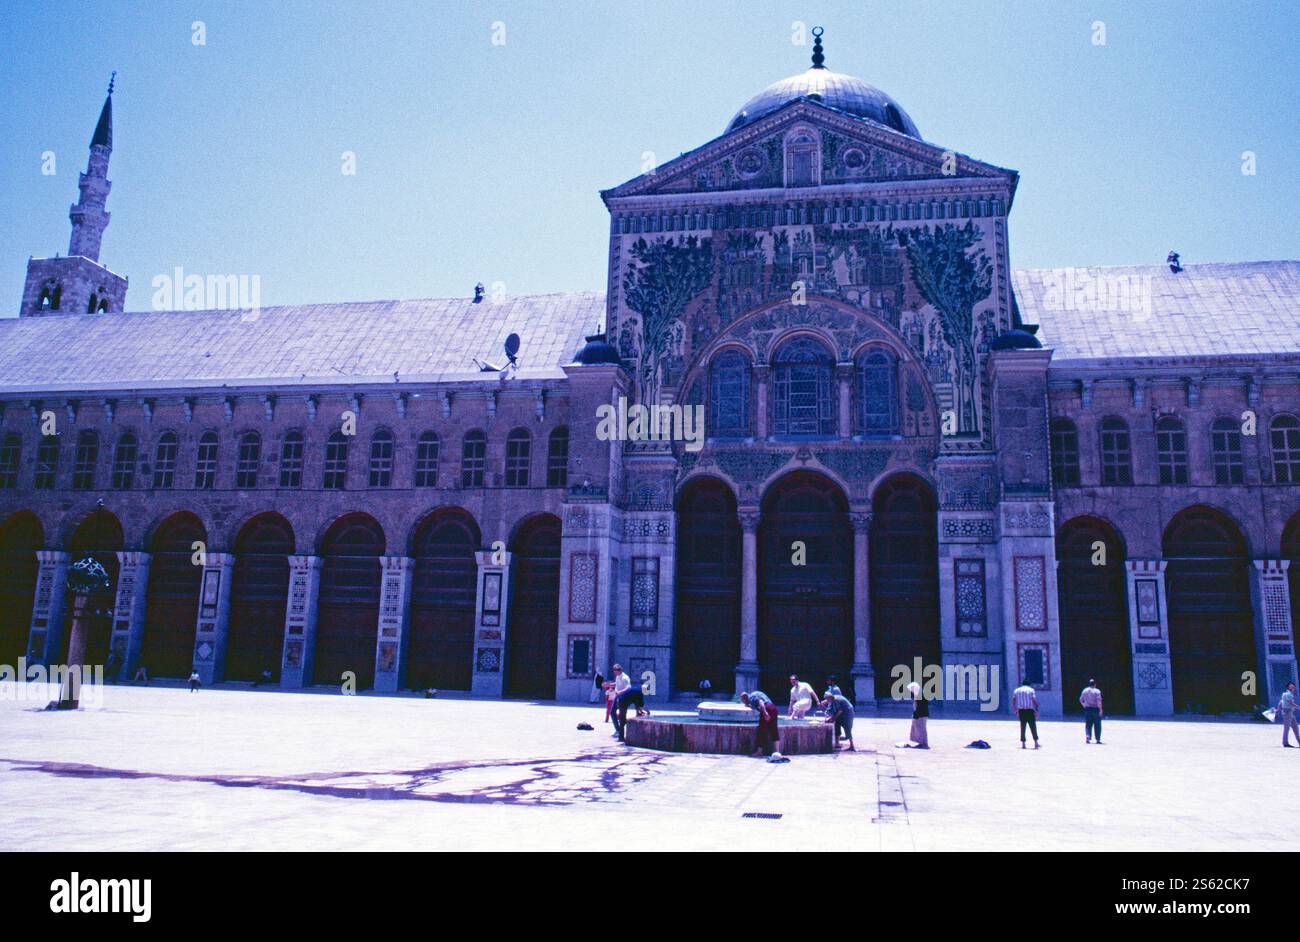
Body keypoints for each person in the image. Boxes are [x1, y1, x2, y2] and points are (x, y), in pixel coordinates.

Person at [740, 691, 780, 757]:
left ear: (745, 698)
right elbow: (758, 706)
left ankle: (759, 752)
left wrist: (765, 713)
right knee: (774, 730)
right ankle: (777, 751)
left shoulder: (751, 698)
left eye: (743, 701)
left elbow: (761, 702)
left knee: (761, 731)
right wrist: (750, 706)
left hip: (767, 709)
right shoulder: (755, 693)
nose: (743, 702)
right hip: (773, 707)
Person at [612, 676, 649, 741]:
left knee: (622, 719)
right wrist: (648, 712)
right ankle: (621, 737)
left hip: (618, 699)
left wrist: (638, 712)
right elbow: (641, 706)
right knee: (622, 719)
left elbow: (637, 705)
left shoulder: (636, 689)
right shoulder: (640, 692)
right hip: (622, 701)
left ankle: (621, 737)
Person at [1013, 679, 1040, 749]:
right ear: (1029, 684)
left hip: (1021, 711)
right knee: (1033, 726)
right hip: (1029, 710)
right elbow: (1034, 700)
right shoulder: (1031, 690)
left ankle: (1023, 744)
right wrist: (1037, 709)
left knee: (1022, 727)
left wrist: (1015, 709)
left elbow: (1013, 700)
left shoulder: (1017, 690)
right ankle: (1036, 743)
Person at [1079, 679, 1104, 744]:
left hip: (1088, 709)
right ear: (1095, 684)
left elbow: (1081, 700)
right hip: (1096, 709)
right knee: (1097, 725)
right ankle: (1098, 739)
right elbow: (1099, 701)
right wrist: (1100, 709)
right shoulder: (1097, 691)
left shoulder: (1085, 690)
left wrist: (1084, 706)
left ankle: (1088, 736)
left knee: (1088, 724)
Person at [907, 681, 929, 749]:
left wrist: (916, 714)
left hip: (921, 714)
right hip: (921, 714)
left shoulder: (920, 695)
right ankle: (921, 742)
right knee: (919, 729)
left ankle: (923, 743)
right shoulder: (919, 694)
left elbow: (920, 706)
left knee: (921, 729)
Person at [1279, 681, 1299, 748]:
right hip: (1287, 712)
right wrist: (1298, 707)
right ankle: (1285, 743)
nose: (1292, 687)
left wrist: (1278, 709)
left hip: (1289, 712)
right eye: (1291, 686)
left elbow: (1281, 702)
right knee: (1287, 728)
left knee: (1295, 728)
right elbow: (1290, 703)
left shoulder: (1284, 694)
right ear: (1288, 687)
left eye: (1293, 686)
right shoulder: (1289, 694)